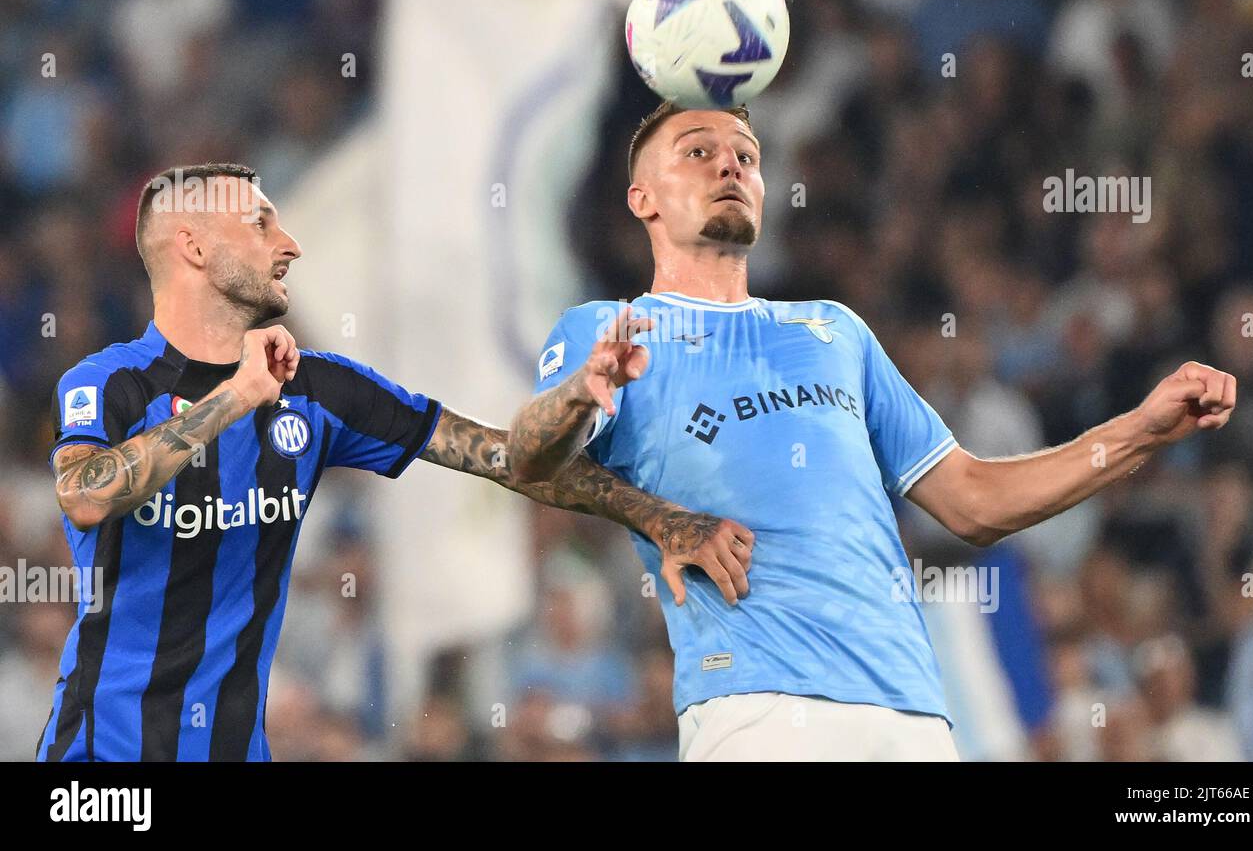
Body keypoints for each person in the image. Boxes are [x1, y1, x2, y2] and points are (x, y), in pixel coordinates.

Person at [507, 102, 1238, 761]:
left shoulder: (835, 332)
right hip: (759, 714)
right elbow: (528, 458)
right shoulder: (611, 330)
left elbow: (974, 501)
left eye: (747, 155)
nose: (730, 162)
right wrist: (578, 395)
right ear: (642, 199)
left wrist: (1141, 430)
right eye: (697, 151)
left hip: (913, 714)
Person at [40, 162, 753, 762]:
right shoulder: (109, 384)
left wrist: (657, 513)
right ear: (193, 247)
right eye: (260, 224)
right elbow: (86, 494)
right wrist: (233, 400)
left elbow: (507, 459)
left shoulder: (319, 391)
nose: (289, 243)